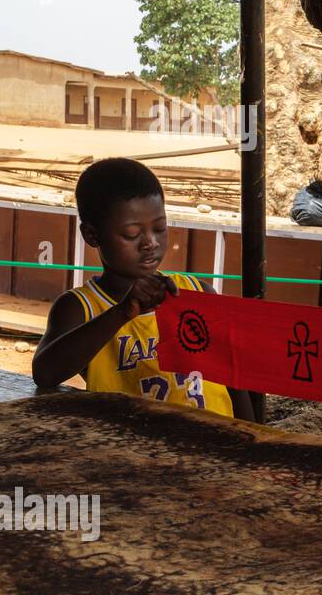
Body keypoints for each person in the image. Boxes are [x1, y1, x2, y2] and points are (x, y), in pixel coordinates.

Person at [33, 158, 252, 420]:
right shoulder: (81, 308)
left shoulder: (198, 293)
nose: (150, 243)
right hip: (133, 453)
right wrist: (122, 312)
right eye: (131, 234)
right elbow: (45, 374)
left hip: (213, 448)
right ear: (92, 235)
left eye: (159, 229)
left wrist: (257, 439)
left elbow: (234, 378)